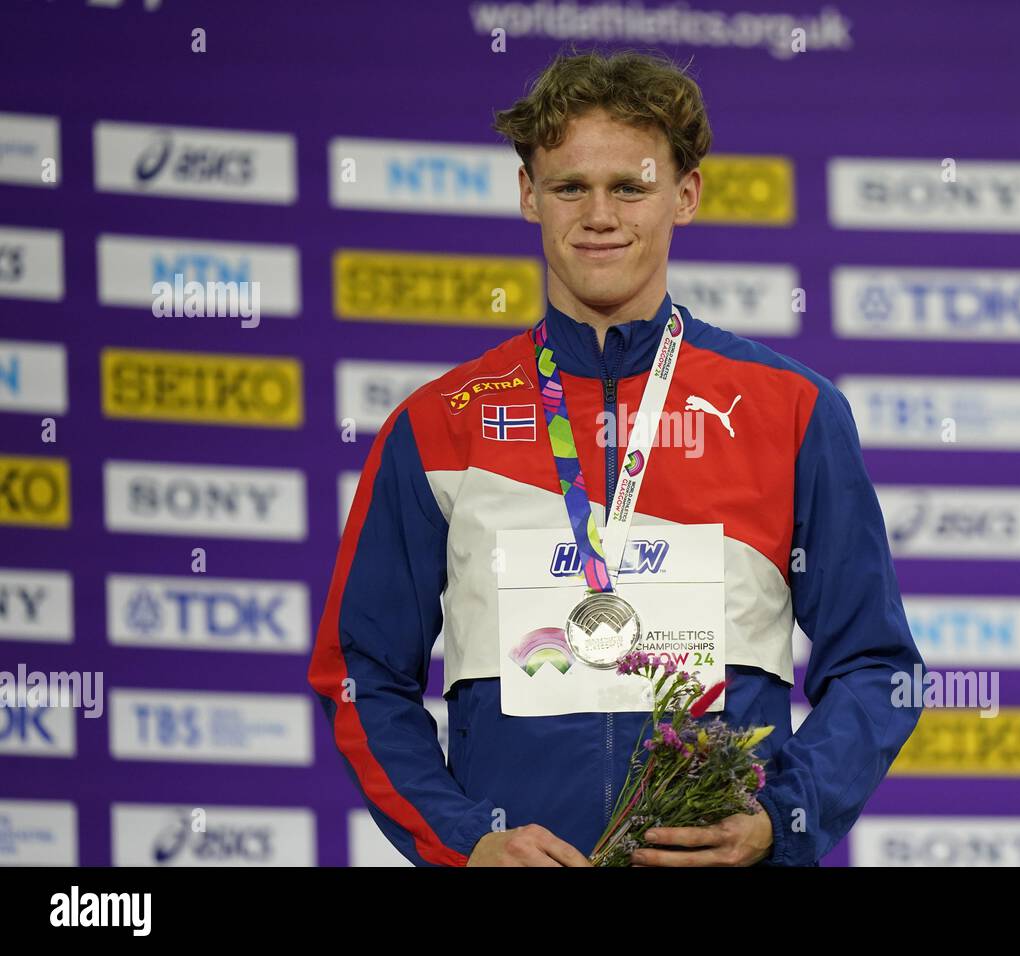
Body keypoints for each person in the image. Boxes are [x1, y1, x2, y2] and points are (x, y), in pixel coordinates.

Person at [308, 48, 924, 867]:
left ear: (686, 195)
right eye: (570, 187)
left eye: (630, 186)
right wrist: (466, 843)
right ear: (529, 195)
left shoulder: (793, 410)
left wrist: (783, 819)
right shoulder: (438, 425)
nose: (600, 215)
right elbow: (360, 676)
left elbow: (877, 666)